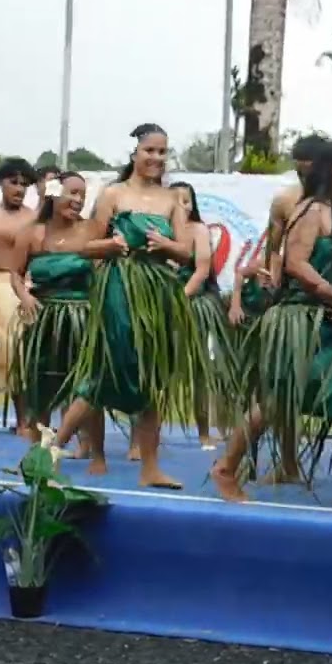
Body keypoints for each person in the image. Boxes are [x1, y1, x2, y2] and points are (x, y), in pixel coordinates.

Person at [212, 140, 332, 510]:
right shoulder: (311, 211)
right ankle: (226, 468)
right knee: (280, 399)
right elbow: (294, 263)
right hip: (310, 320)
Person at [57, 123, 206, 488]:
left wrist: (164, 244)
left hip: (157, 293)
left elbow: (186, 252)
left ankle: (150, 467)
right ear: (135, 154)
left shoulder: (172, 200)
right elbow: (85, 246)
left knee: (152, 374)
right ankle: (49, 451)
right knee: (109, 369)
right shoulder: (113, 194)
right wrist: (109, 247)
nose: (156, 158)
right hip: (120, 289)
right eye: (149, 151)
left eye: (162, 152)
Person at [9, 173, 118, 473]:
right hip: (43, 317)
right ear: (54, 195)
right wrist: (25, 297)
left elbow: (104, 270)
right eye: (72, 193)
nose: (78, 200)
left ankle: (97, 455)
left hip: (83, 315)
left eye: (82, 194)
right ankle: (38, 453)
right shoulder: (31, 233)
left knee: (87, 387)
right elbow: (15, 274)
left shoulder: (91, 230)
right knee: (40, 384)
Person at [172, 180, 240, 449]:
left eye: (186, 200)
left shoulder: (198, 230)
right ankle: (138, 440)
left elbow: (201, 270)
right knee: (153, 368)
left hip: (195, 302)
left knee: (200, 370)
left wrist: (177, 301)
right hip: (160, 304)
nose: (181, 205)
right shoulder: (159, 229)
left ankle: (203, 432)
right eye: (175, 200)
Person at [0, 157, 39, 436]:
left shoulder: (33, 219)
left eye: (24, 184)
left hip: (17, 287)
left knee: (19, 356)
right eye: (13, 182)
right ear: (0, 182)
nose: (18, 188)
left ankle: (23, 420)